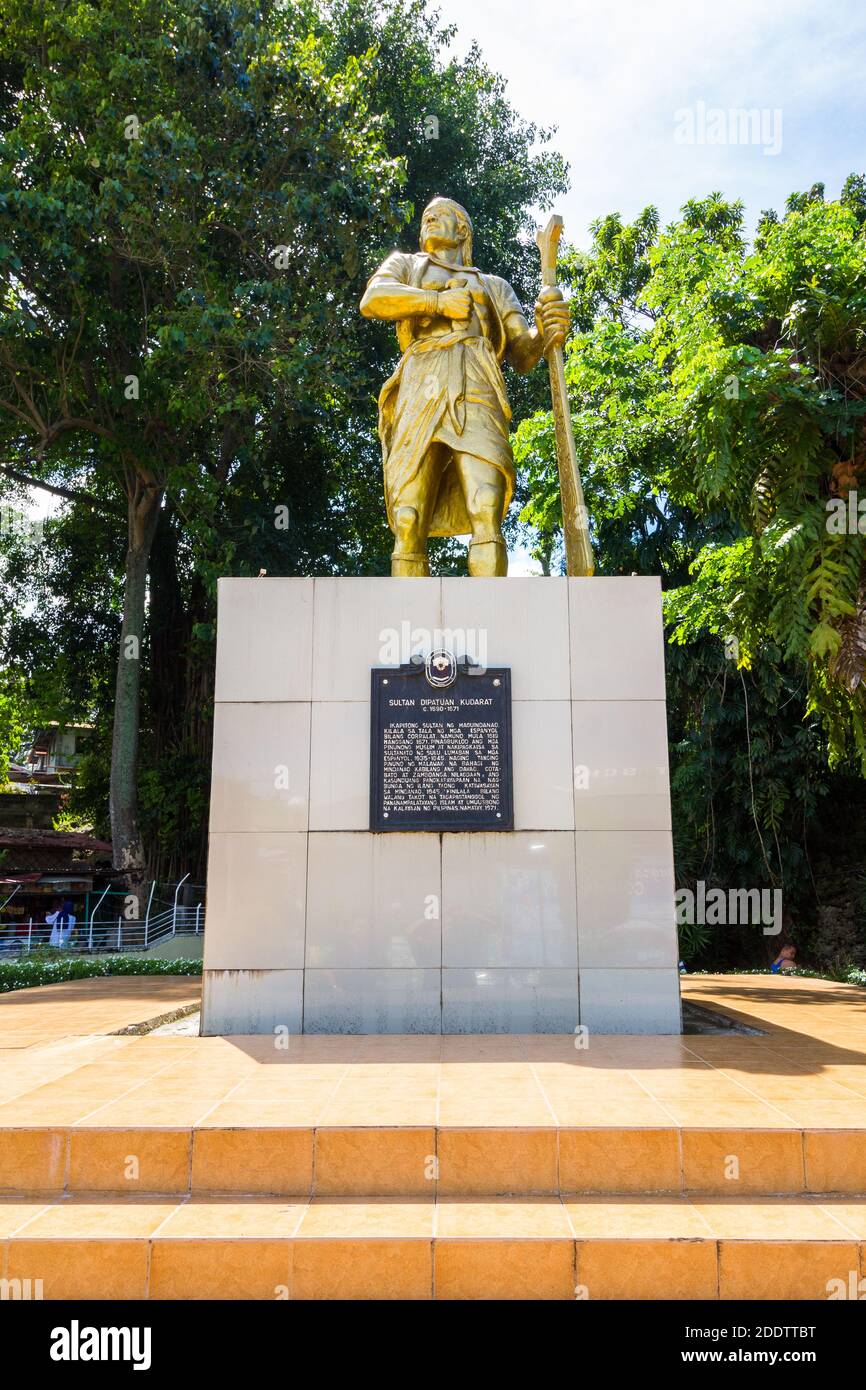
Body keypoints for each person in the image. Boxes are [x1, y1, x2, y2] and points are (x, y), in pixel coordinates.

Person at [360, 196, 570, 577]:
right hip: (421, 381)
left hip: (477, 380)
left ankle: (490, 619)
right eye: (425, 217)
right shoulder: (406, 265)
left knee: (486, 504)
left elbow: (522, 353)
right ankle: (408, 625)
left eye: (438, 216)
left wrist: (546, 331)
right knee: (408, 517)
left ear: (462, 230)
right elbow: (373, 299)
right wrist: (437, 303)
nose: (428, 220)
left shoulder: (495, 287)